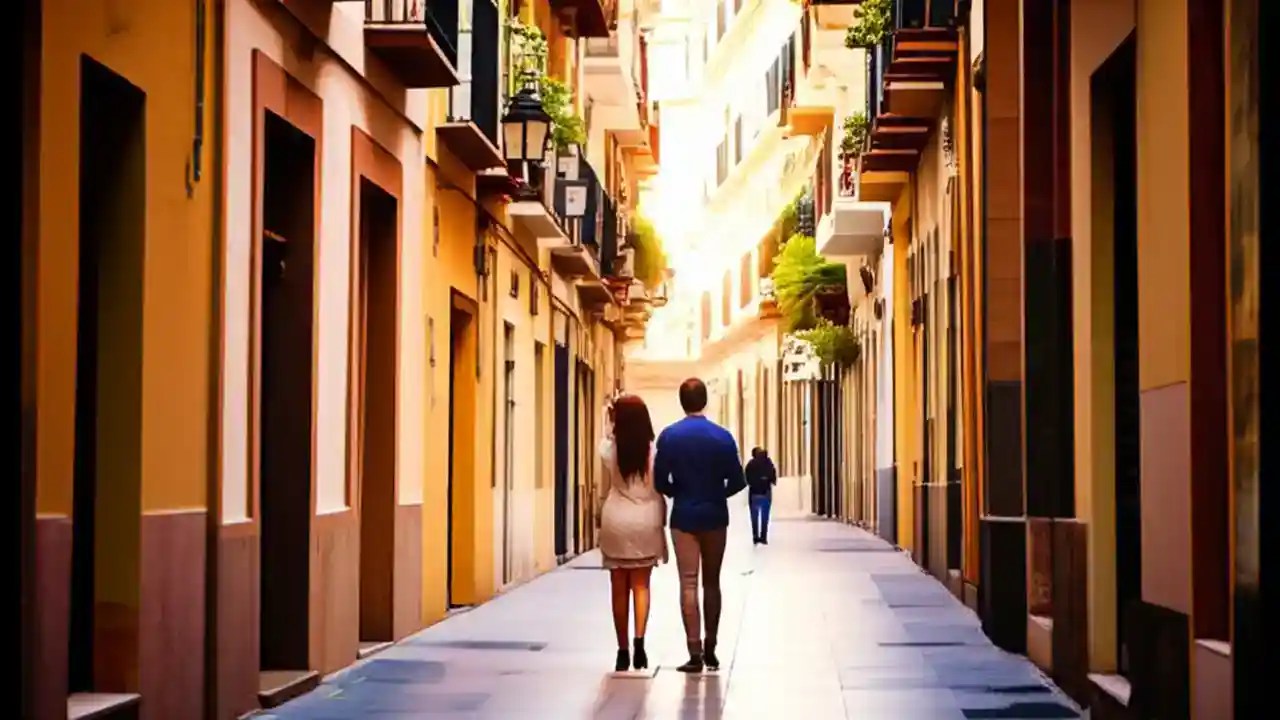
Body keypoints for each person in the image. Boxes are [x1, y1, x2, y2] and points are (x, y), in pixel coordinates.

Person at [654, 378, 746, 672]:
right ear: (704, 401)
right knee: (712, 582)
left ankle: (693, 652)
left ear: (682, 402)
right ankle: (712, 647)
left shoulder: (669, 437)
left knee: (688, 583)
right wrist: (716, 494)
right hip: (715, 516)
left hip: (683, 516)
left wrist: (678, 493)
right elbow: (738, 480)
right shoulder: (722, 437)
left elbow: (659, 480)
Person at [596, 395, 668, 672]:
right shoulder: (653, 453)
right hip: (645, 521)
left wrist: (608, 421)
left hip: (616, 520)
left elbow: (604, 442)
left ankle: (622, 650)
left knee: (618, 589)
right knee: (641, 585)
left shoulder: (609, 450)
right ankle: (640, 643)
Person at [744, 447, 777, 545]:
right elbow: (773, 475)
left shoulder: (750, 464)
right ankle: (763, 537)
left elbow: (746, 477)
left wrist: (753, 483)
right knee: (765, 516)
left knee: (754, 517)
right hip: (766, 492)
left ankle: (755, 536)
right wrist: (768, 480)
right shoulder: (768, 463)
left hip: (754, 493)